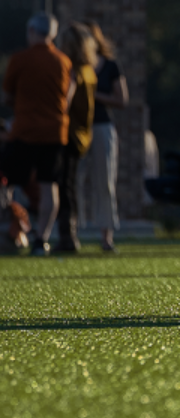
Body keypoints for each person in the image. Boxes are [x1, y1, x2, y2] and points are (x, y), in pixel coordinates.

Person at [1, 13, 73, 256]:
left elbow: (7, 95)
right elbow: (66, 97)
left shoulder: (20, 60)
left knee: (5, 179)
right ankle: (42, 239)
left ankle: (8, 229)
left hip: (24, 130)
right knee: (49, 185)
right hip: (54, 132)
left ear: (31, 31)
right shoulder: (63, 61)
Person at [56, 22, 99, 253]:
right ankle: (70, 234)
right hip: (83, 134)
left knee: (64, 185)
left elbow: (65, 103)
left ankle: (67, 235)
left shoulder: (73, 72)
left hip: (68, 133)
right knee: (70, 184)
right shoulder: (89, 70)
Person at [84, 22, 127, 251]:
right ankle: (73, 231)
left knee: (105, 181)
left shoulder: (110, 66)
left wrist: (94, 95)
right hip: (78, 128)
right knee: (74, 181)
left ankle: (106, 236)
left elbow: (122, 100)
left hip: (102, 127)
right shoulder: (74, 65)